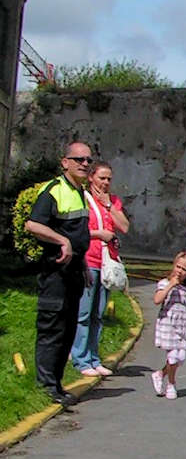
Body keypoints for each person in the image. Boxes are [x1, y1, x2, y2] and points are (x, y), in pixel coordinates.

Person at [23, 141, 94, 407]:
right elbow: (33, 224)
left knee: (68, 329)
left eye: (88, 160)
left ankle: (57, 383)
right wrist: (61, 241)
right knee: (52, 328)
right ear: (65, 162)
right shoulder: (53, 190)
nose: (85, 164)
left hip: (74, 271)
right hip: (55, 272)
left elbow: (79, 235)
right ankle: (45, 385)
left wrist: (83, 262)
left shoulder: (80, 192)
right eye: (78, 160)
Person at [70, 159, 130, 379]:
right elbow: (76, 230)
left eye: (109, 179)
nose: (105, 183)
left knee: (98, 313)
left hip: (107, 263)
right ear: (91, 178)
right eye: (101, 178)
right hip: (89, 260)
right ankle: (80, 358)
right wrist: (99, 235)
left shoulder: (113, 201)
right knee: (84, 313)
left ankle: (94, 358)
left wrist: (108, 206)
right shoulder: (82, 199)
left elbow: (124, 226)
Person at [152, 252, 186, 401]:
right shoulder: (164, 283)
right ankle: (171, 384)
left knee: (180, 357)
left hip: (182, 324)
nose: (179, 271)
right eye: (178, 266)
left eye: (184, 269)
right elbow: (157, 299)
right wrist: (170, 285)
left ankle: (161, 374)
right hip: (168, 324)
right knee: (173, 356)